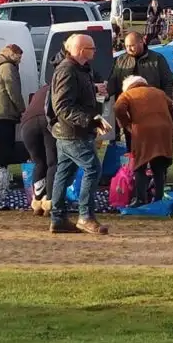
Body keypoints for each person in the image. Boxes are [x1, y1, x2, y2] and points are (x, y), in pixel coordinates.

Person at [48, 34, 111, 235]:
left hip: (71, 131)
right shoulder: (67, 70)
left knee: (63, 173)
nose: (94, 52)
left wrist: (96, 119)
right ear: (81, 50)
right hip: (72, 133)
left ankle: (58, 219)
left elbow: (78, 100)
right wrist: (90, 120)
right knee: (92, 168)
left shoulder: (79, 70)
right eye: (92, 48)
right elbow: (63, 106)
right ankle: (85, 217)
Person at [114, 75, 173, 205]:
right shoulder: (160, 93)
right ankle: (159, 199)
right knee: (159, 166)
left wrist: (127, 124)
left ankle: (140, 198)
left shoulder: (127, 95)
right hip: (164, 130)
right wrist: (171, 125)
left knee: (140, 165)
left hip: (143, 132)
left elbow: (118, 108)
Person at [20, 80, 58, 215]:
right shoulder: (63, 85)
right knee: (52, 163)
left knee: (39, 162)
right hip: (46, 121)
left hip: (27, 124)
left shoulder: (42, 89)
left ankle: (37, 202)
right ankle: (49, 201)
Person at [0, 43, 26, 170]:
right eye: (19, 57)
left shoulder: (3, 67)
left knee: (3, 146)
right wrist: (22, 109)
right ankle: (0, 176)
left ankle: (0, 174)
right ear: (12, 54)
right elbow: (13, 90)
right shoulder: (8, 67)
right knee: (5, 147)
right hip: (5, 112)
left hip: (1, 112)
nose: (20, 60)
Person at [112, 32, 173, 101]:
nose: (129, 49)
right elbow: (114, 80)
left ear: (141, 42)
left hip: (151, 103)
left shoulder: (157, 59)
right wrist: (107, 93)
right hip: (127, 104)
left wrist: (167, 101)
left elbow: (168, 81)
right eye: (127, 46)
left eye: (132, 45)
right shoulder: (121, 60)